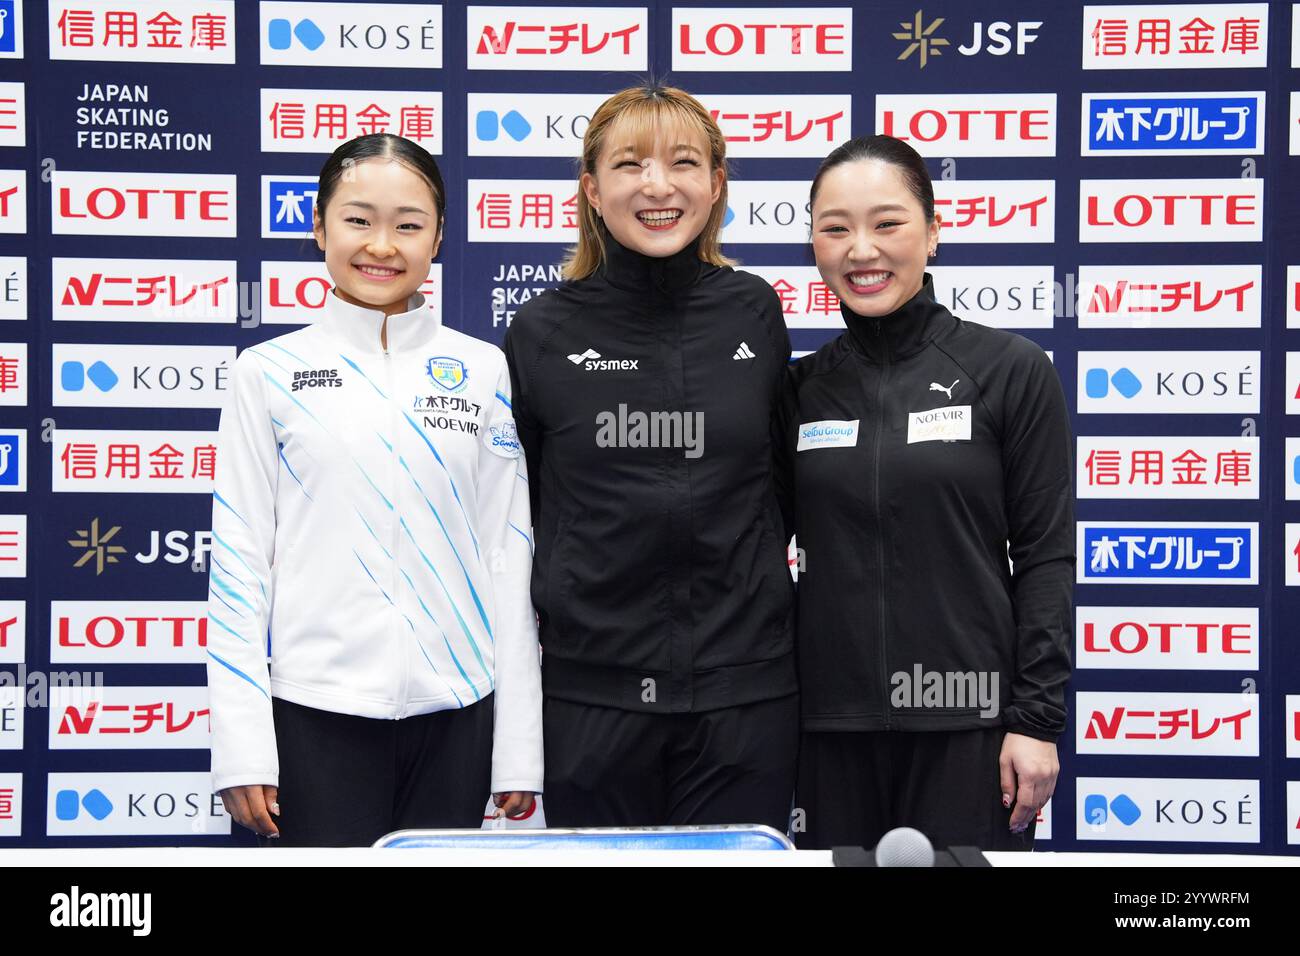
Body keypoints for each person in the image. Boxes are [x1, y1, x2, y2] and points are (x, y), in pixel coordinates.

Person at [206, 134, 542, 846]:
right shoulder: (267, 372)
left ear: (440, 236)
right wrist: (242, 744)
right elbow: (238, 565)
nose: (382, 245)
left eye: (409, 224)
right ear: (320, 224)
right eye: (358, 219)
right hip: (312, 714)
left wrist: (517, 745)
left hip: (458, 718)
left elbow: (507, 560)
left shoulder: (483, 370)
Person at [503, 85, 798, 829]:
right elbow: (525, 512)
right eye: (630, 164)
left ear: (717, 184)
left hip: (744, 698)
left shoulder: (755, 311)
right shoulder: (539, 331)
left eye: (684, 163)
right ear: (593, 190)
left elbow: (780, 489)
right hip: (592, 699)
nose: (658, 185)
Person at [786, 135, 1073, 851]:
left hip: (969, 729)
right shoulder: (796, 388)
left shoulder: (1011, 370)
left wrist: (1035, 721)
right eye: (835, 228)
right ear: (814, 245)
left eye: (887, 224)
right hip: (831, 731)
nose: (861, 250)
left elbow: (1045, 557)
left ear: (934, 233)